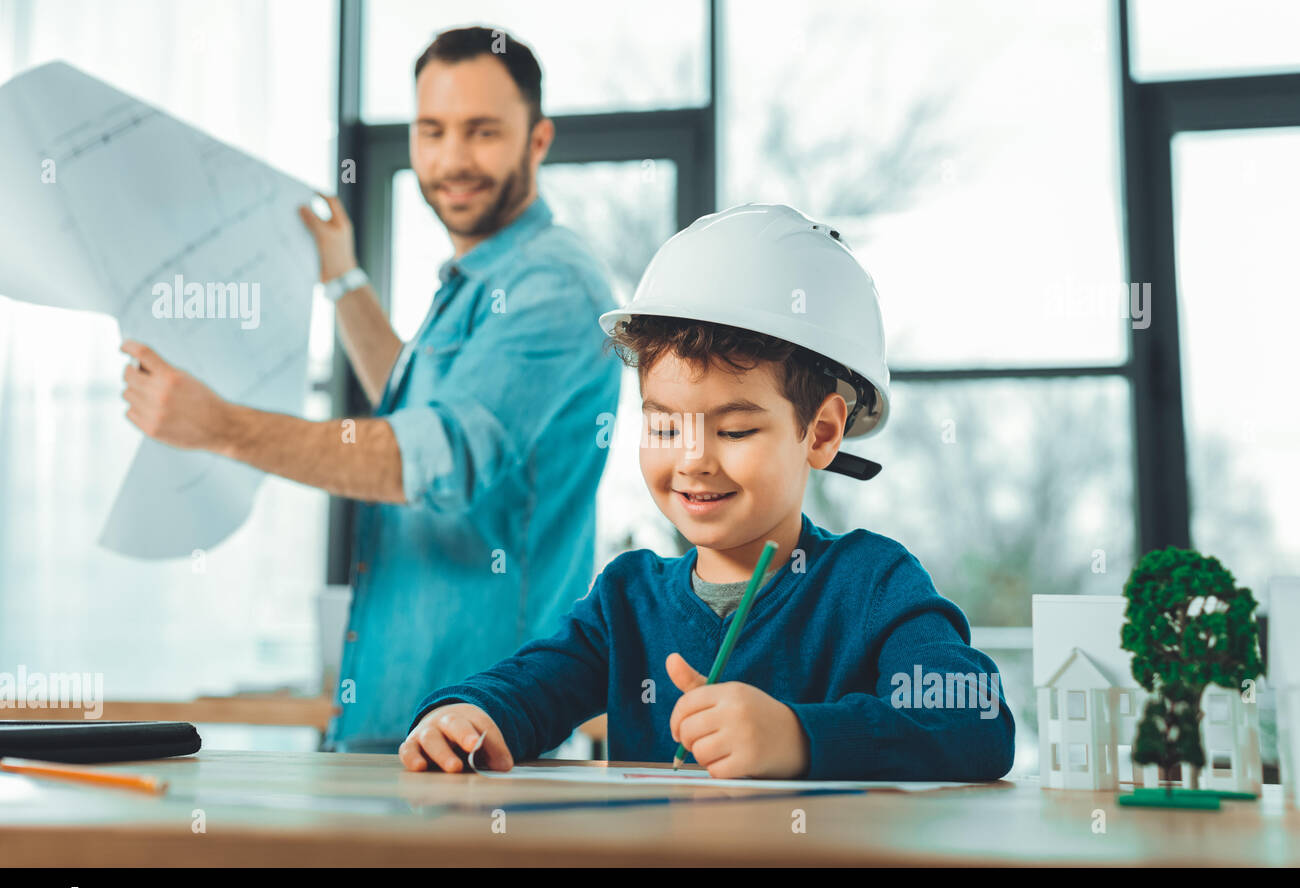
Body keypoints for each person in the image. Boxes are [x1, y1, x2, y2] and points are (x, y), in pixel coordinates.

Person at [119, 26, 621, 752]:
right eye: (432, 130)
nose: (451, 159)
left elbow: (420, 457)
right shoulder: (480, 282)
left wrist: (219, 426)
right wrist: (344, 278)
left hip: (483, 747)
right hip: (400, 732)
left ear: (537, 141)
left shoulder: (550, 286)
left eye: (482, 132)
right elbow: (415, 405)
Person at [398, 203, 1016, 780]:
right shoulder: (626, 600)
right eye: (665, 425)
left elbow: (977, 723)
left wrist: (800, 738)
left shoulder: (873, 585)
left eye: (735, 428)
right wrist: (470, 716)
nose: (693, 460)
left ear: (821, 433)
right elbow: (531, 687)